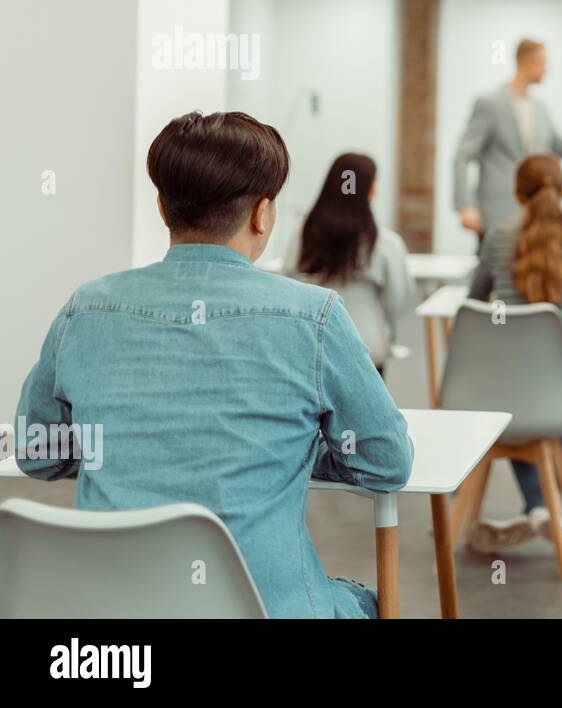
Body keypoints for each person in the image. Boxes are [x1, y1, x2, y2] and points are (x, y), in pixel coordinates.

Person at [15, 111, 413, 618]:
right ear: (262, 214)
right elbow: (386, 462)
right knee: (363, 601)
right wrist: (289, 449)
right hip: (265, 609)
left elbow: (36, 451)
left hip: (112, 620)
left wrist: (126, 449)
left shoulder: (85, 309)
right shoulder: (314, 317)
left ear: (162, 209)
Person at [466, 153, 562, 558]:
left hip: (503, 395)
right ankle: (543, 508)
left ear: (518, 194)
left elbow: (474, 303)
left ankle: (536, 508)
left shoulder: (497, 239)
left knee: (524, 405)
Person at [453, 38, 562, 240]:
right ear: (526, 62)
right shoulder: (490, 104)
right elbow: (462, 156)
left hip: (533, 217)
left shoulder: (541, 109)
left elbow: (561, 149)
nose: (547, 69)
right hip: (495, 216)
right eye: (543, 62)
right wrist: (465, 206)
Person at [283, 152, 414, 378]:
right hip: (367, 352)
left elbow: (288, 287)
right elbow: (398, 301)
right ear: (370, 190)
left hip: (311, 349)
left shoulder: (301, 235)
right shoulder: (386, 244)